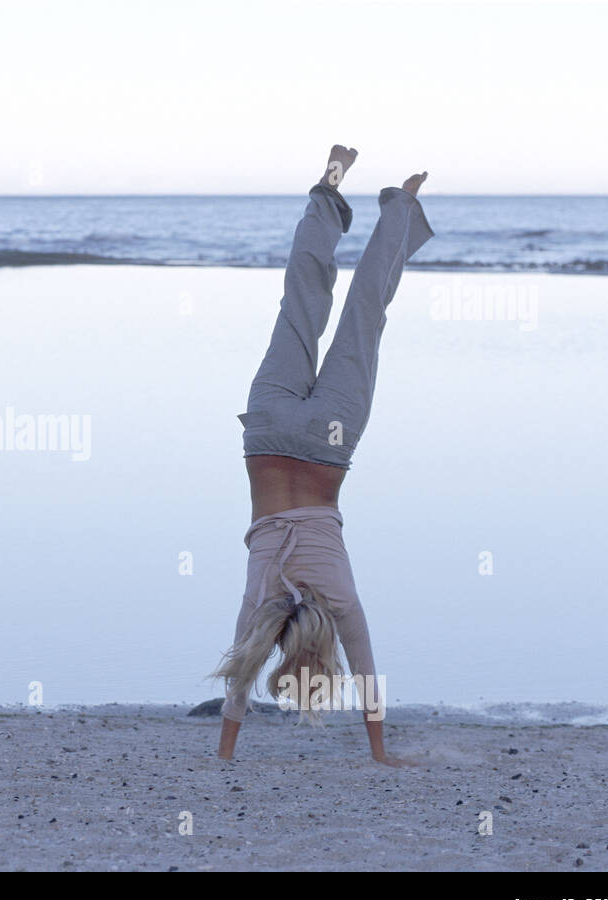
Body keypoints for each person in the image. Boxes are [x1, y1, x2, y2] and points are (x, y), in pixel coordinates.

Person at [212, 145, 433, 767]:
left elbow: (368, 681)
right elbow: (234, 694)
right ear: (283, 654)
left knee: (365, 315)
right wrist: (224, 753)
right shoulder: (260, 610)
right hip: (266, 428)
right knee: (299, 303)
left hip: (327, 442)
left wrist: (380, 752)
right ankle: (329, 185)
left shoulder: (340, 601)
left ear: (320, 652)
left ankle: (403, 203)